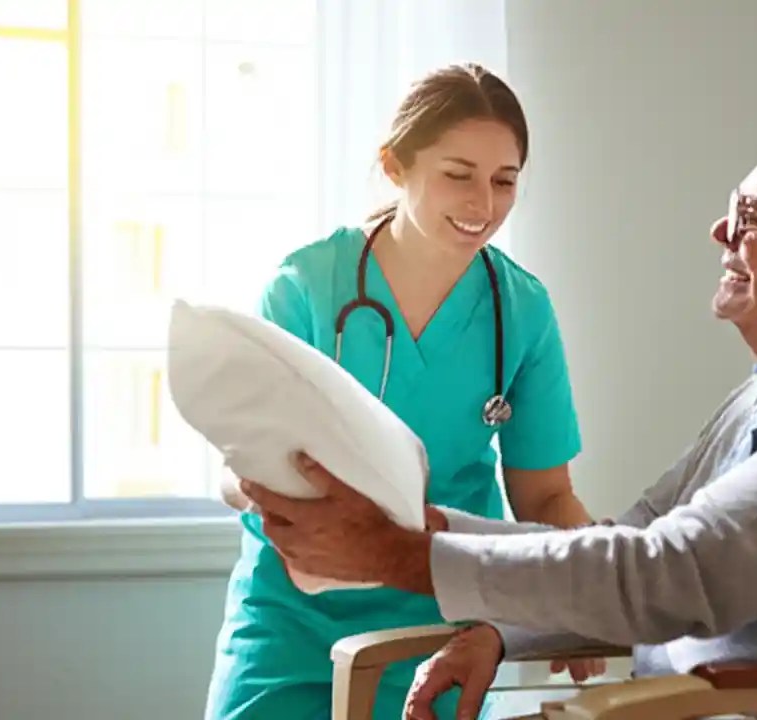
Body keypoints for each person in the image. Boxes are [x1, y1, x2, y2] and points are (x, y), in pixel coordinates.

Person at [240, 130, 757, 720]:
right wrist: (493, 618)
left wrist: (407, 554)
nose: (718, 233)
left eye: (748, 216)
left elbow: (679, 575)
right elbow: (637, 534)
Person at [204, 63, 603, 720]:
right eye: (458, 174)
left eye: (505, 181)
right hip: (292, 616)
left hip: (437, 616)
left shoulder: (521, 312)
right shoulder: (307, 288)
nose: (483, 204)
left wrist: (586, 592)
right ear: (395, 166)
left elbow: (547, 494)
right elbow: (234, 467)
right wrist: (256, 484)